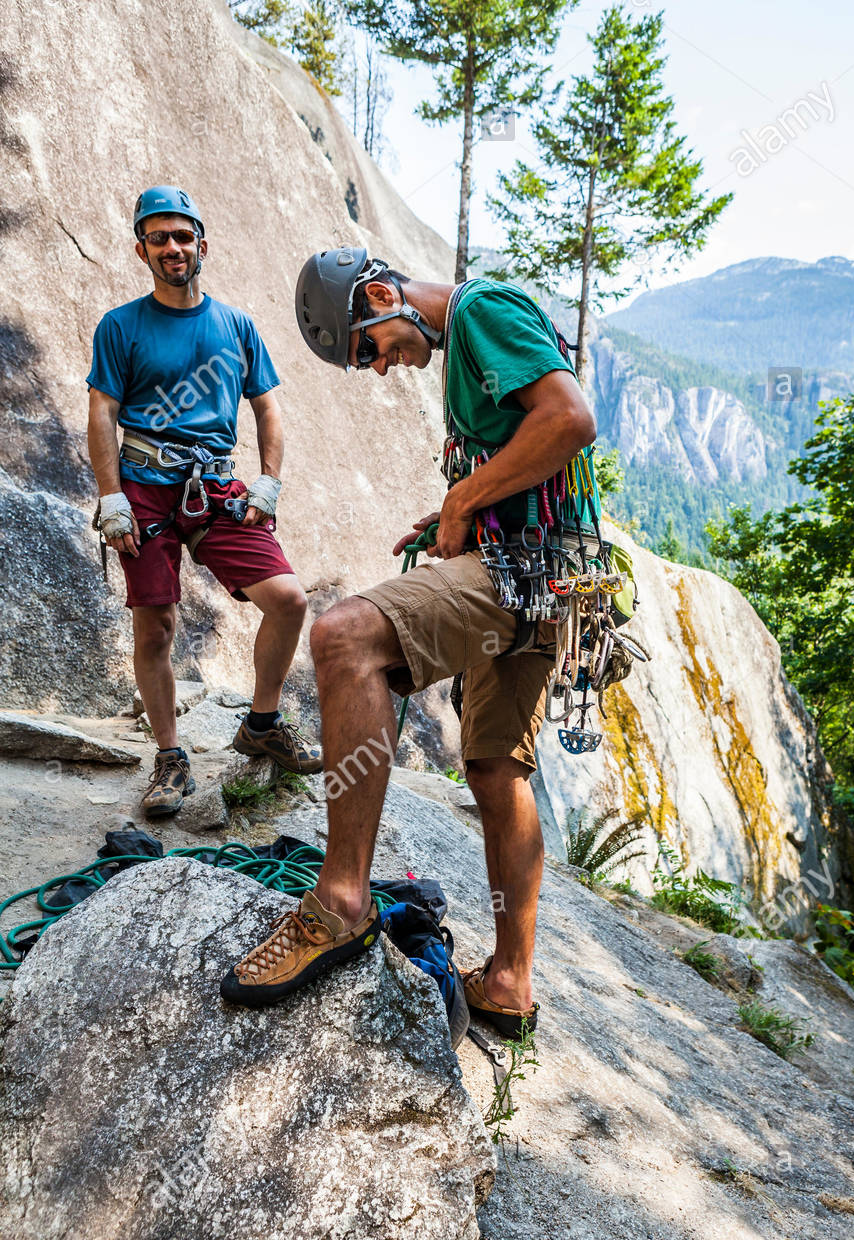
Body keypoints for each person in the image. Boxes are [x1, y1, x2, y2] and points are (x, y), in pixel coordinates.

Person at [221, 248, 596, 1038]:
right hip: (548, 575)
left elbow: (568, 419)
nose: (384, 367)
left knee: (343, 636)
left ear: (383, 293)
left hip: (514, 570)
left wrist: (462, 500)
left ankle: (341, 902)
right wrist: (448, 520)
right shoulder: (469, 341)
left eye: (372, 347)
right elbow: (524, 449)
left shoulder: (479, 311)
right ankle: (507, 983)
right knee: (496, 769)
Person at [86, 186, 322, 816]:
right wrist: (111, 499)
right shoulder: (120, 326)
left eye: (182, 236)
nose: (172, 248)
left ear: (202, 246)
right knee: (157, 626)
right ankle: (169, 758)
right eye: (159, 238)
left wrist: (267, 484)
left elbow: (268, 406)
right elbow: (102, 413)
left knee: (289, 600)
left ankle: (262, 723)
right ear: (142, 250)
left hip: (216, 487)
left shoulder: (237, 326)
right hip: (145, 485)